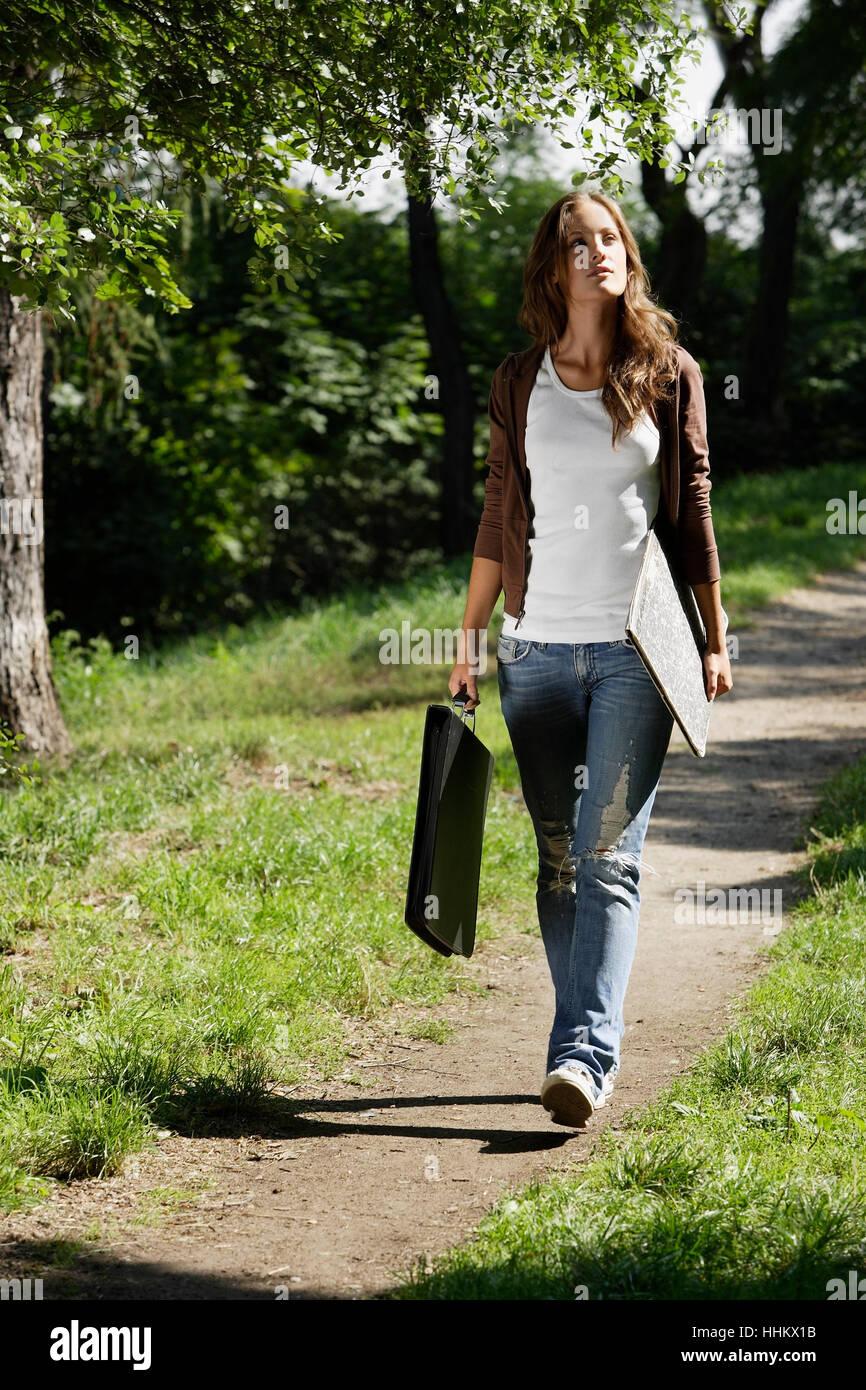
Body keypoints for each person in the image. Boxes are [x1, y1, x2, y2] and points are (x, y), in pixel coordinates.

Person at [448, 189, 733, 1128]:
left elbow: (690, 507)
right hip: (533, 653)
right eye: (579, 243)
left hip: (634, 655)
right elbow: (498, 511)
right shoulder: (519, 381)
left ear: (626, 255)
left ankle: (582, 1055)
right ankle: (578, 1039)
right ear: (553, 265)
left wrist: (715, 634)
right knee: (558, 860)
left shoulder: (667, 370)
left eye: (610, 238)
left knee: (608, 855)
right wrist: (468, 636)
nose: (597, 254)